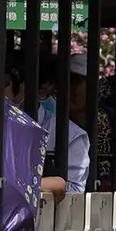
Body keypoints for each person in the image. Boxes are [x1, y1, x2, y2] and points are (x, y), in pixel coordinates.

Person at [40, 53, 93, 198]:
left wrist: (39, 185)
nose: (69, 88)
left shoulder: (73, 134)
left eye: (75, 81)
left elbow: (74, 190)